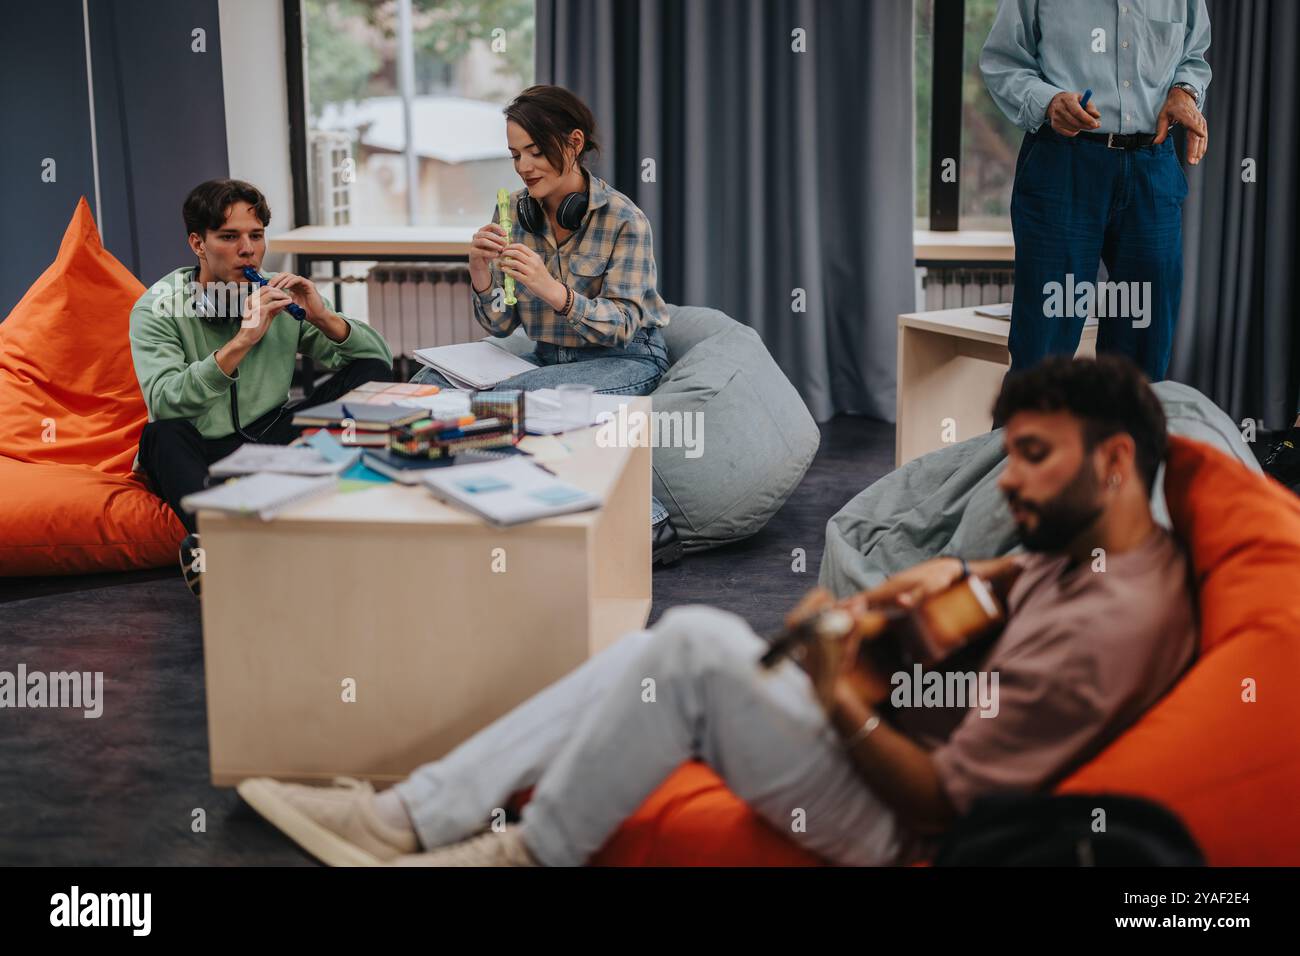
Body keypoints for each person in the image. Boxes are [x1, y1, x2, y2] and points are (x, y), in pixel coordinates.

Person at [237, 354, 1197, 867]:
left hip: (904, 825)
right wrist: (912, 594)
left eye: (1035, 456)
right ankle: (414, 812)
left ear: (1116, 461)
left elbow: (941, 803)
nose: (1013, 482)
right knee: (658, 651)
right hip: (913, 734)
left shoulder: (1105, 627)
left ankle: (527, 854)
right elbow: (996, 588)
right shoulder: (1092, 555)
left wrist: (840, 692)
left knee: (695, 645)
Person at [409, 85, 682, 564]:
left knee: (506, 407)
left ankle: (653, 524)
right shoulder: (513, 211)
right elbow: (499, 322)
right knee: (428, 387)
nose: (524, 166)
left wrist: (551, 288)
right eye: (515, 154)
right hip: (546, 358)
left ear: (574, 143)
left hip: (625, 358)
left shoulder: (624, 220)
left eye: (536, 151)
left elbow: (621, 324)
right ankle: (468, 506)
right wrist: (478, 273)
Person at [130, 179, 393, 596]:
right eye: (229, 237)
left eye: (256, 235)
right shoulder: (157, 306)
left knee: (369, 373)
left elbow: (378, 361)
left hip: (270, 436)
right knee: (159, 434)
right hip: (200, 447)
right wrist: (241, 342)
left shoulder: (273, 291)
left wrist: (323, 317)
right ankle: (221, 540)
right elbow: (165, 402)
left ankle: (278, 518)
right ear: (198, 243)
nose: (248, 249)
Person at [981, 0, 1211, 382]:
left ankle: (1125, 442)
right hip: (1063, 165)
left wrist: (1183, 92)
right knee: (1043, 348)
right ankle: (1027, 444)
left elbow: (1193, 56)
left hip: (1151, 168)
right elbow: (1003, 61)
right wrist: (1049, 101)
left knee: (1143, 351)